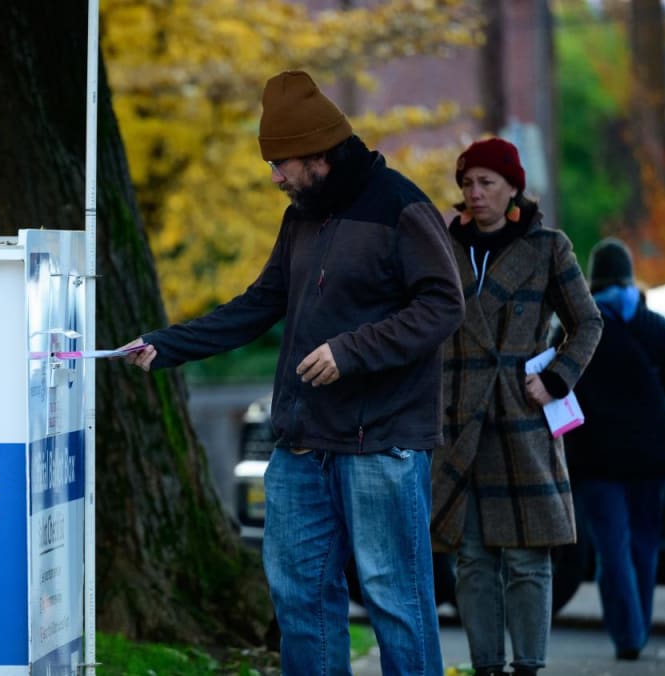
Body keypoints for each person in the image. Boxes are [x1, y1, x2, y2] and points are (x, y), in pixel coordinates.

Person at [122, 70, 464, 675]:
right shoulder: (302, 216)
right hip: (302, 445)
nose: (275, 176)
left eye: (281, 163)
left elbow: (443, 306)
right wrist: (166, 344)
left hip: (381, 445)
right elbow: (259, 304)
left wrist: (351, 351)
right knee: (301, 601)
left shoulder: (403, 208)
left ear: (319, 155)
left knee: (397, 601)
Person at [429, 137, 602, 676]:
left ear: (512, 188)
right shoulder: (441, 246)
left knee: (528, 557)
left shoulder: (547, 247)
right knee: (471, 557)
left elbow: (588, 322)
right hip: (457, 420)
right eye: (466, 183)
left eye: (485, 182)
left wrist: (555, 379)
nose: (474, 193)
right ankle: (486, 667)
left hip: (520, 419)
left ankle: (528, 666)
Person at [556, 237, 665, 661]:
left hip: (596, 461)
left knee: (612, 548)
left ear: (591, 280)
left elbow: (555, 387)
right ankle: (640, 626)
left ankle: (628, 635)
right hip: (652, 459)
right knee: (644, 544)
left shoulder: (576, 331)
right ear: (630, 277)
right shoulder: (656, 327)